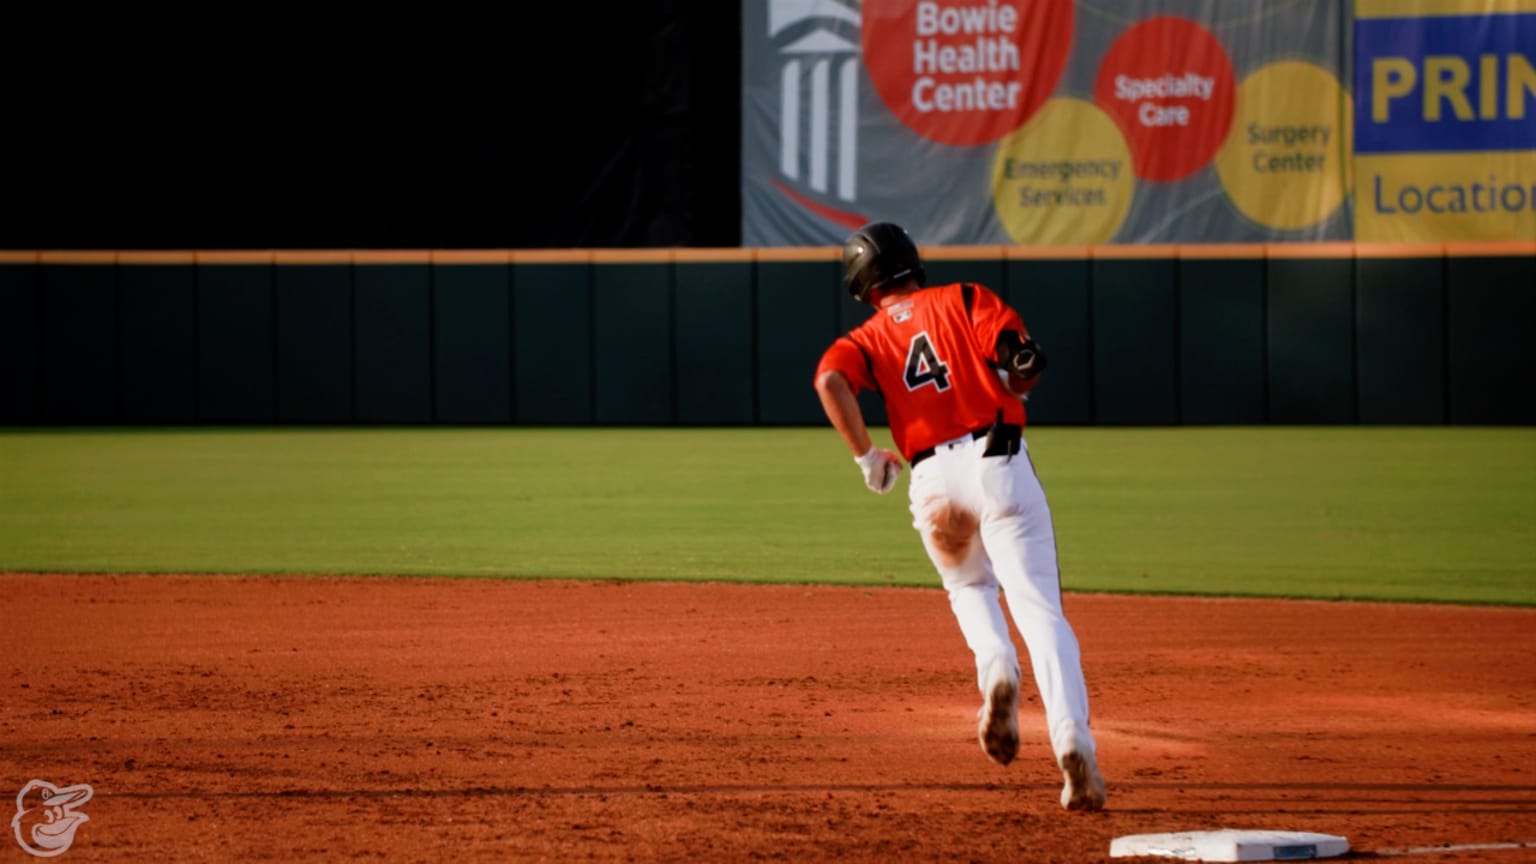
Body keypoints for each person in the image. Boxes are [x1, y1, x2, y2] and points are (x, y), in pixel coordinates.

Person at [812, 221, 1106, 811]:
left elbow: (829, 379)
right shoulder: (966, 297)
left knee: (969, 585)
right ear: (914, 263)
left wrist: (867, 456)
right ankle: (1073, 746)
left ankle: (996, 667)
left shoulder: (868, 336)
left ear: (863, 286)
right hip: (996, 454)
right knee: (1038, 606)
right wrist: (1021, 369)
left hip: (931, 478)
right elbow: (1021, 367)